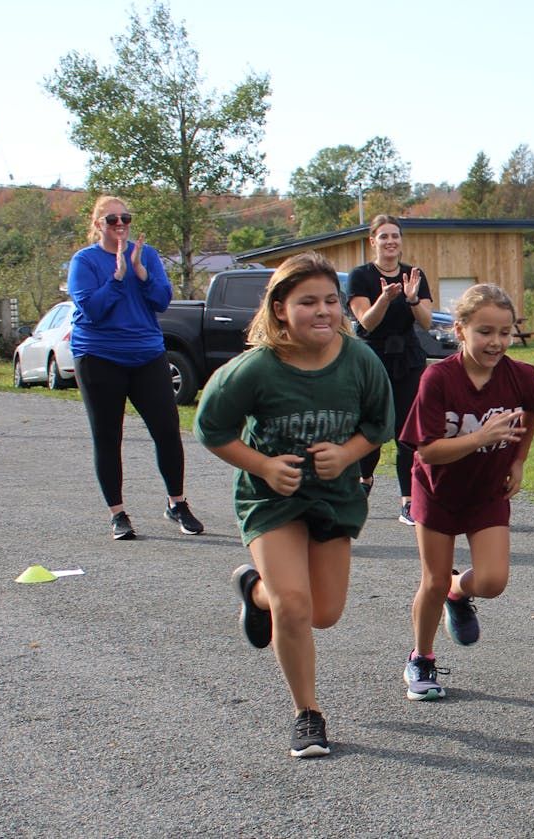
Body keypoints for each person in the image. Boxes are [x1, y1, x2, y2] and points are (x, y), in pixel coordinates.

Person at [194, 252, 394, 757]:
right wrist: (262, 465)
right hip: (272, 499)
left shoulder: (359, 360)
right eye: (308, 301)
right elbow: (211, 429)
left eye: (331, 299)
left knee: (324, 613)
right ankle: (308, 713)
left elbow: (380, 424)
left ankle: (255, 591)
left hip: (334, 497)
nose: (323, 310)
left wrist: (347, 453)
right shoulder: (255, 369)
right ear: (280, 308)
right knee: (294, 605)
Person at [399, 284, 534, 700]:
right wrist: (481, 436)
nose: (497, 342)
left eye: (505, 332)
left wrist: (518, 460)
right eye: (486, 331)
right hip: (438, 489)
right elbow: (428, 450)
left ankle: (459, 590)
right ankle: (422, 659)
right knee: (431, 580)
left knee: (492, 581)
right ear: (461, 329)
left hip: (487, 488)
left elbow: (532, 416)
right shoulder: (438, 378)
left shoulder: (521, 376)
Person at [67, 196, 204, 541]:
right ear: (98, 224)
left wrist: (141, 273)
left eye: (125, 217)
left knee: (167, 429)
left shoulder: (148, 255)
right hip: (99, 356)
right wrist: (117, 278)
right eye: (111, 219)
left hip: (146, 354)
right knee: (108, 436)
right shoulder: (84, 261)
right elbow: (94, 310)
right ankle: (118, 514)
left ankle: (177, 503)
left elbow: (160, 300)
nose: (120, 224)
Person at [346, 214, 434, 526]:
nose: (390, 242)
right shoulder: (361, 277)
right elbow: (365, 323)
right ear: (373, 241)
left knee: (407, 433)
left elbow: (426, 322)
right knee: (373, 427)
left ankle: (408, 501)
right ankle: (364, 479)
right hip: (373, 359)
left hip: (408, 359)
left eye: (395, 236)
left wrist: (412, 300)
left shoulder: (414, 274)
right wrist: (384, 298)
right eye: (384, 236)